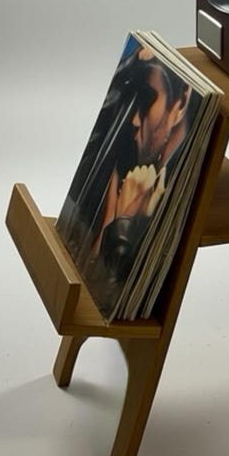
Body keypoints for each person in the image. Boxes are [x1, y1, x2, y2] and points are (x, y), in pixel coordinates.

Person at [56, 40, 194, 316]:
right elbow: (113, 107)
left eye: (146, 100)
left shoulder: (176, 172)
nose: (133, 120)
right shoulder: (115, 154)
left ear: (180, 103)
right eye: (135, 99)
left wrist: (125, 225)